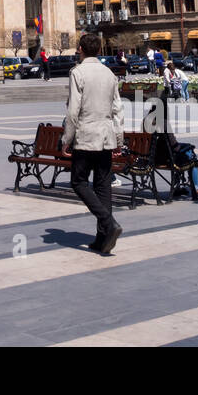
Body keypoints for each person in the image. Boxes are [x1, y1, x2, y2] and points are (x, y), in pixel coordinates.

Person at [61, 32, 124, 255]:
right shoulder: (109, 74)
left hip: (86, 136)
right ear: (98, 50)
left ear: (81, 49)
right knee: (103, 186)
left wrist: (66, 139)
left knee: (78, 182)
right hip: (106, 136)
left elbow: (73, 110)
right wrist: (118, 139)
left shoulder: (77, 72)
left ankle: (109, 223)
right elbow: (117, 109)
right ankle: (102, 239)